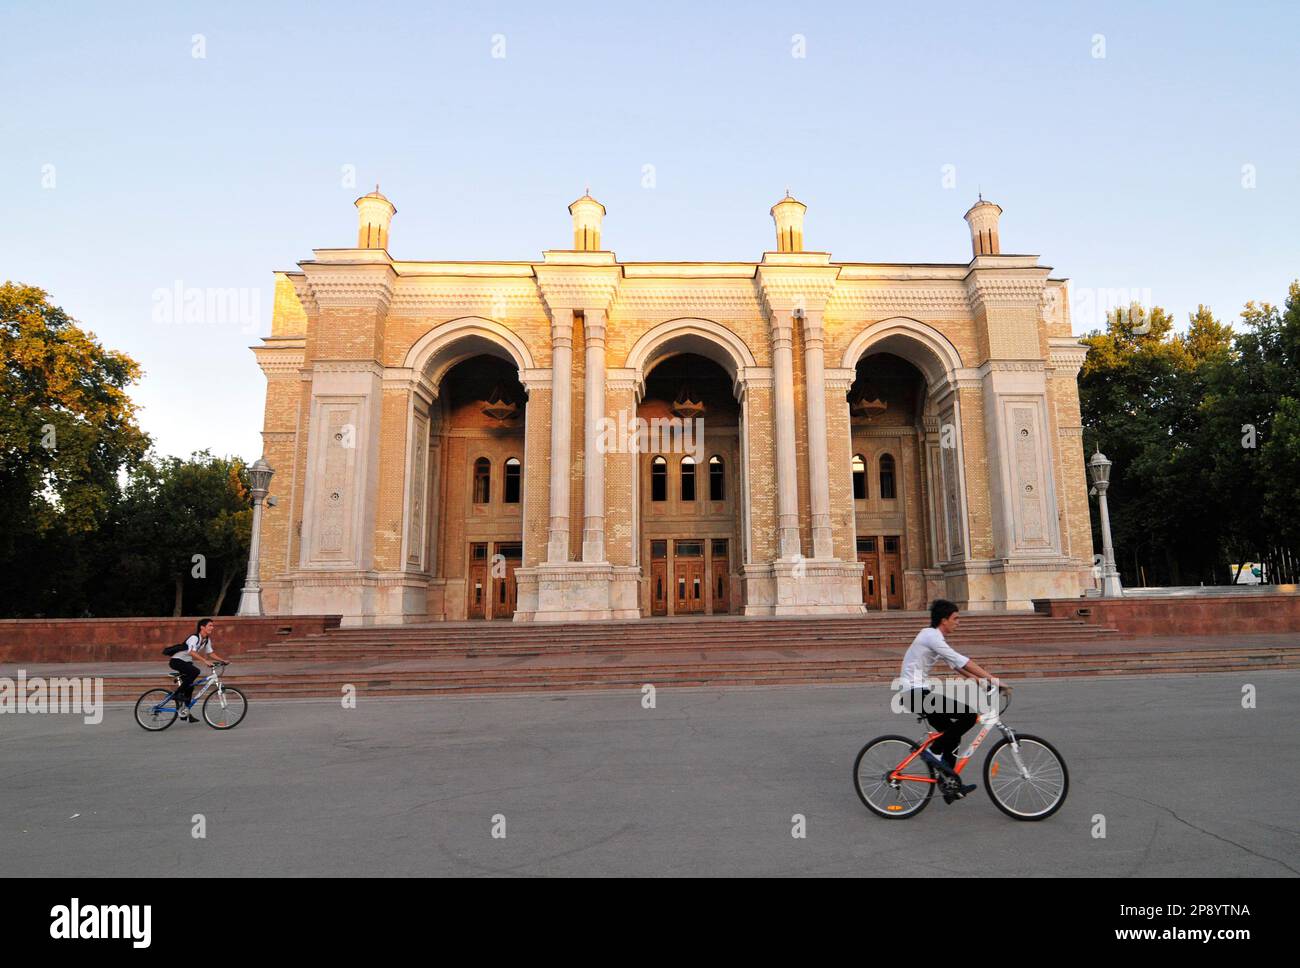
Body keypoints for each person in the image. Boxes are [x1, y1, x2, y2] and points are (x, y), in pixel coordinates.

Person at [898, 599, 1009, 803]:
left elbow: (955, 665)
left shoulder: (934, 637)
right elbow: (960, 660)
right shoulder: (931, 636)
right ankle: (933, 751)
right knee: (967, 716)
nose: (958, 622)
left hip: (916, 693)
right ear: (944, 620)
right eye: (955, 619)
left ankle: (949, 783)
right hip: (914, 693)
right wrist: (993, 679)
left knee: (952, 734)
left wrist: (977, 679)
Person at [170, 618, 230, 723]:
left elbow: (210, 653)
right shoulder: (194, 637)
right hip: (177, 660)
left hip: (186, 662)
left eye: (212, 625)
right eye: (210, 625)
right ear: (202, 627)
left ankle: (185, 713)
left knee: (190, 688)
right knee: (195, 671)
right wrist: (205, 661)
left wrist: (223, 660)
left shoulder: (206, 639)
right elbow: (192, 652)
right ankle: (177, 694)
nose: (212, 627)